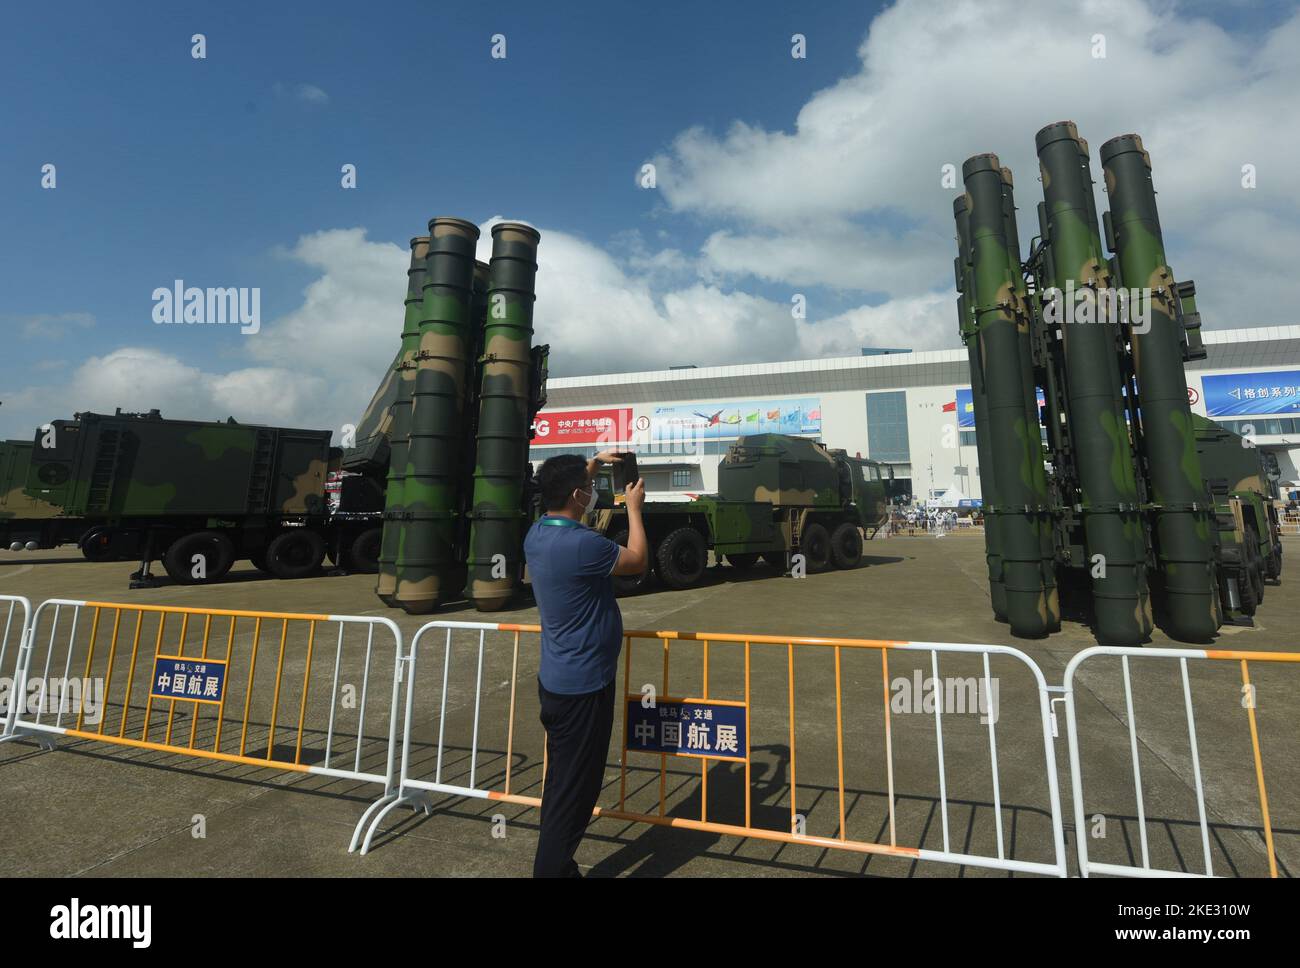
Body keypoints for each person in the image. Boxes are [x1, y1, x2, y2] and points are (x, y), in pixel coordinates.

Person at [524, 450, 647, 877]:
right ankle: (552, 870)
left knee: (561, 782)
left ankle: (561, 867)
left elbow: (568, 495)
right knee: (576, 793)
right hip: (585, 690)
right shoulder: (583, 545)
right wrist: (633, 509)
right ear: (578, 494)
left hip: (557, 683)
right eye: (589, 488)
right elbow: (637, 560)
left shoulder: (537, 535)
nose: (594, 492)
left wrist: (590, 466)